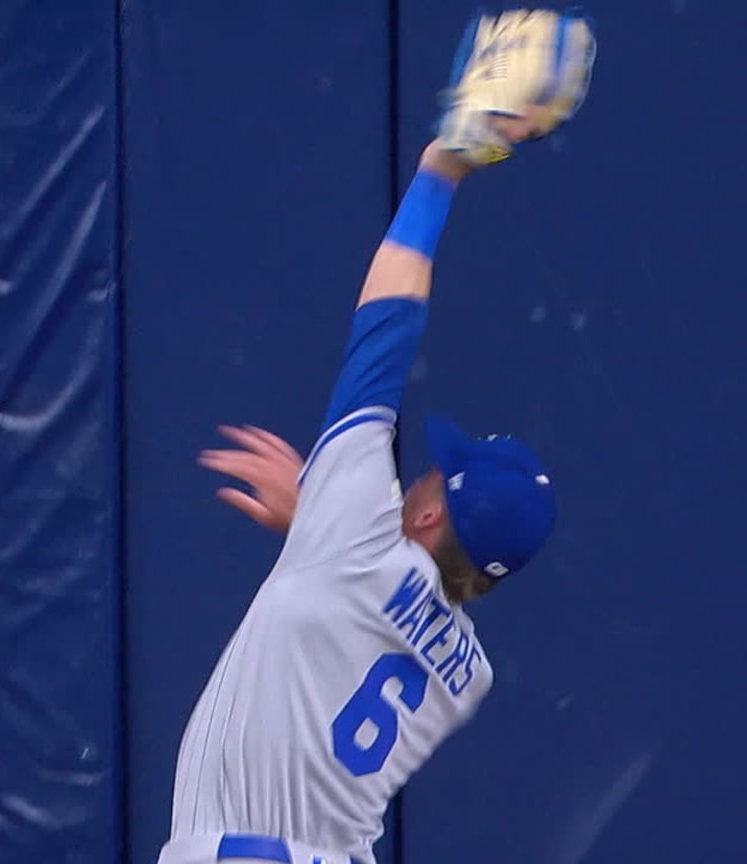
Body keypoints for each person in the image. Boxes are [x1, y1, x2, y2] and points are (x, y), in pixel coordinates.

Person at [155, 10, 596, 864]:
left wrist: (443, 168)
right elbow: (366, 604)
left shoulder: (355, 534)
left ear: (432, 517)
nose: (420, 480)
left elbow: (384, 330)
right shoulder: (464, 674)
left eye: (435, 478)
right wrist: (317, 521)